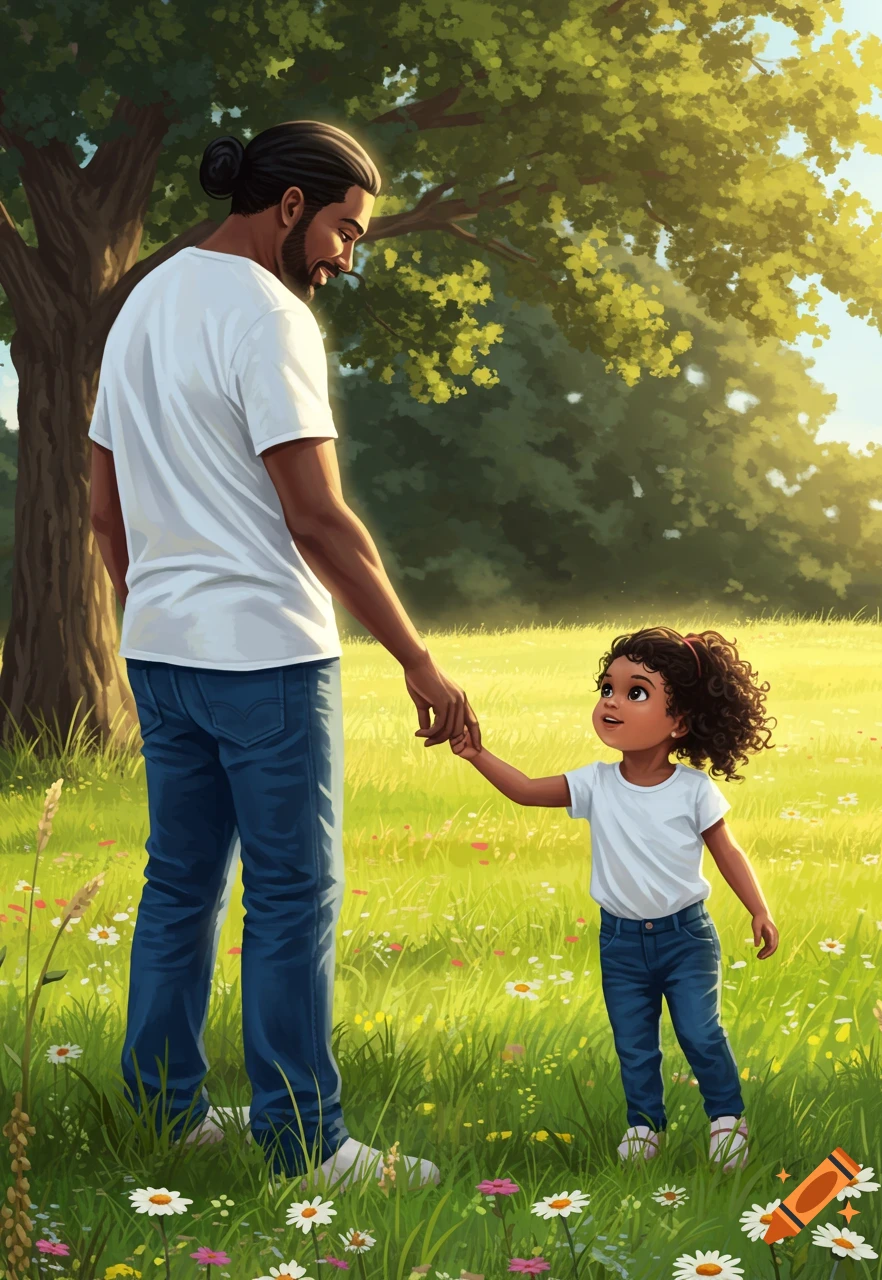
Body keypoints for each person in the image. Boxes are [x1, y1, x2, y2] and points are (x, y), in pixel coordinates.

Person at [88, 120, 479, 1186]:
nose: (348, 257)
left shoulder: (144, 301)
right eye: (346, 231)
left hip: (161, 650)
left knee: (178, 887)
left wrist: (157, 604)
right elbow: (318, 518)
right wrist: (416, 658)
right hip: (266, 654)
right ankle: (306, 1144)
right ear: (292, 205)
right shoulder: (268, 316)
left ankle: (166, 1115)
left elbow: (103, 505)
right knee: (292, 895)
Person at [450, 626, 778, 1171]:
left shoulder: (693, 790)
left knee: (700, 1032)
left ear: (679, 721)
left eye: (636, 692)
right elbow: (525, 790)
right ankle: (644, 1127)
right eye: (607, 688)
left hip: (686, 937)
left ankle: (727, 1119)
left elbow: (727, 852)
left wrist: (759, 909)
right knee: (634, 1042)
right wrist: (475, 754)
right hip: (621, 942)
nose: (612, 702)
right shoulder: (595, 783)